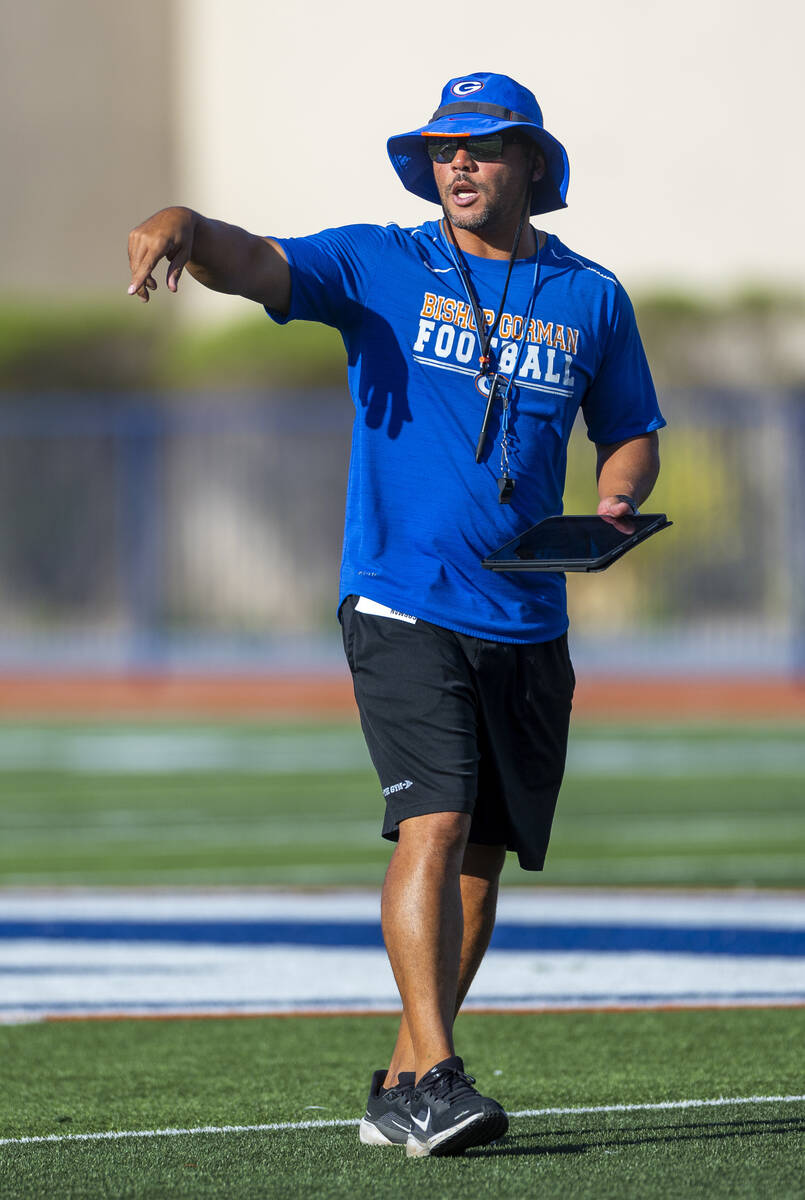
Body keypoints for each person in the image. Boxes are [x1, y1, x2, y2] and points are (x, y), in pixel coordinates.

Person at [127, 71, 664, 1158]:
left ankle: (407, 1078)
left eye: (480, 146)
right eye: (440, 148)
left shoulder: (591, 295)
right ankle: (441, 1077)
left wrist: (616, 503)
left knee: (482, 856)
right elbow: (255, 259)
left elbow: (632, 429)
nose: (455, 163)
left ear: (530, 165)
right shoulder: (381, 262)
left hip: (527, 614)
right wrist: (183, 225)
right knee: (435, 818)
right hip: (401, 598)